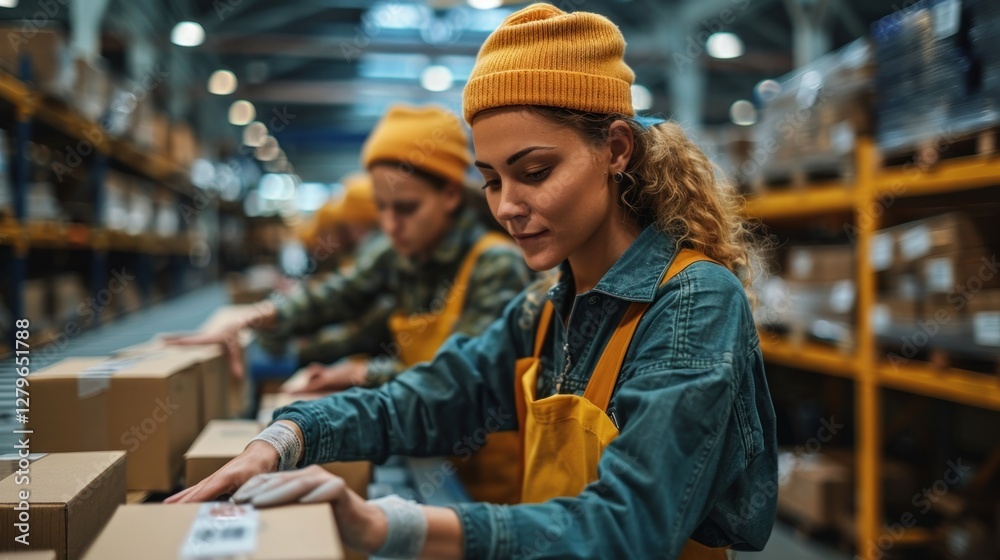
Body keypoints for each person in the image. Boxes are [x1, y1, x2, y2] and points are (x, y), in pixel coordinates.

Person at [168, 4, 777, 559]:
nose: (508, 206)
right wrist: (286, 438)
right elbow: (429, 398)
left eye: (534, 171)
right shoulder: (545, 310)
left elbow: (630, 526)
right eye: (491, 180)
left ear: (616, 149)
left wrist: (395, 526)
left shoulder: (693, 304)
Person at [171, 103, 533, 503]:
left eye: (406, 208)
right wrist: (251, 319)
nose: (391, 225)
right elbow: (337, 293)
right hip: (426, 450)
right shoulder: (403, 254)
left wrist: (362, 372)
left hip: (485, 480)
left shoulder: (496, 264)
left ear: (449, 194)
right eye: (382, 209)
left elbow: (454, 384)